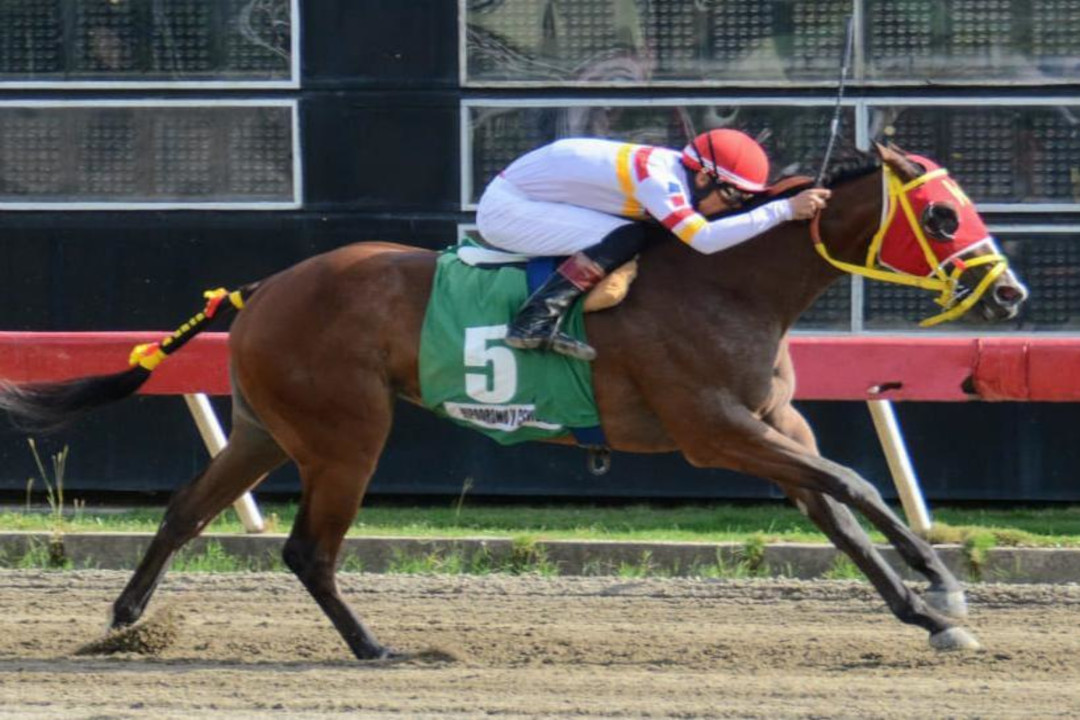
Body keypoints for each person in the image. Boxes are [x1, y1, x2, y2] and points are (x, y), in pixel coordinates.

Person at [476, 128, 831, 361]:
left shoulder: (679, 172)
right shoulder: (660, 182)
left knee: (647, 234)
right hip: (508, 210)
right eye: (731, 197)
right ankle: (533, 321)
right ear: (703, 177)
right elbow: (705, 240)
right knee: (628, 236)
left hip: (540, 196)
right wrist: (784, 210)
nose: (731, 207)